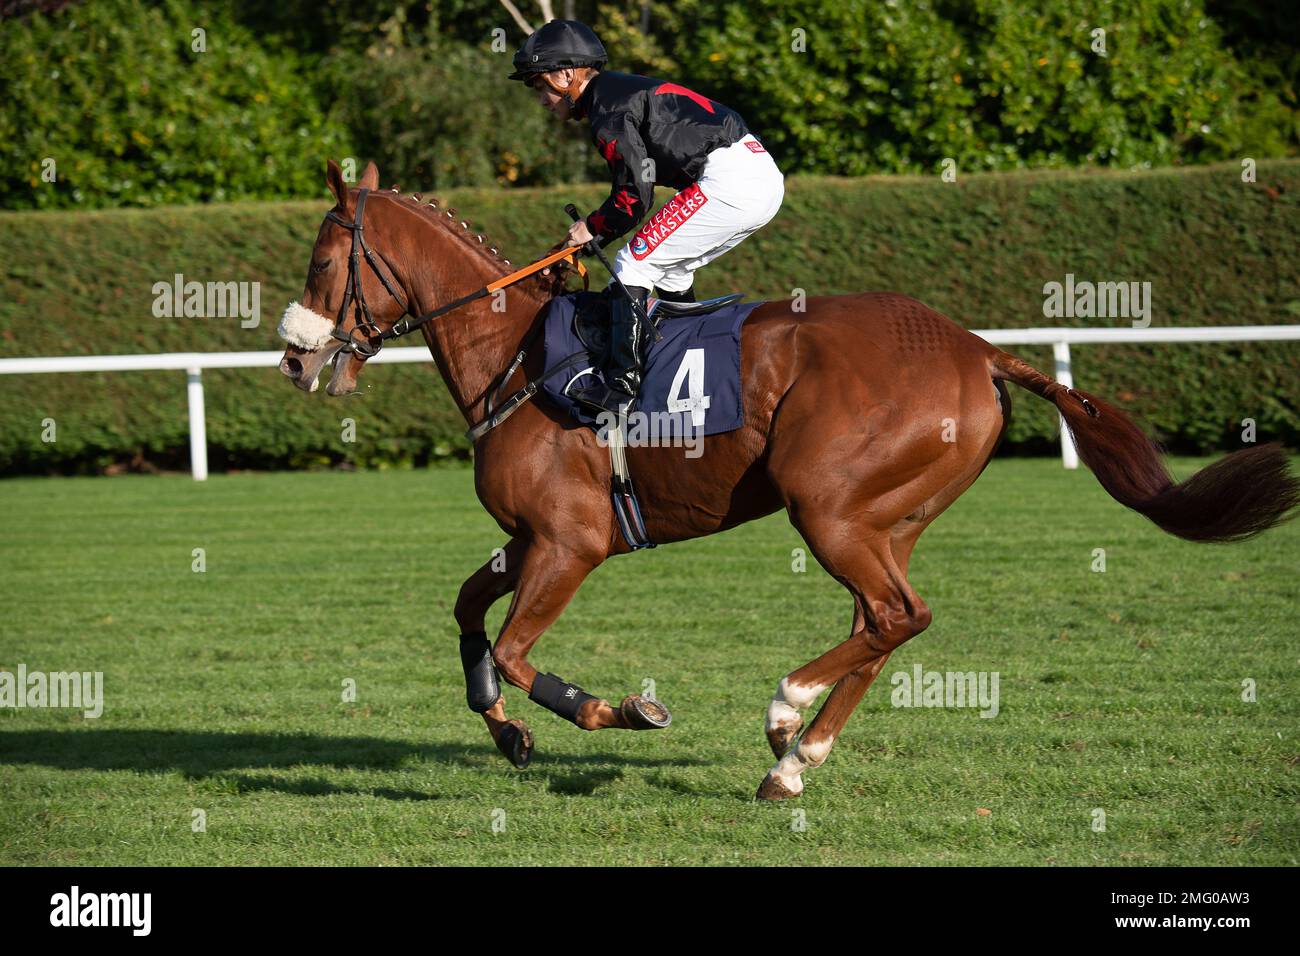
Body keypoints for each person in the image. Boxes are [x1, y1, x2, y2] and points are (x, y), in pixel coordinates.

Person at [508, 19, 785, 415]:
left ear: (566, 74)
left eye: (539, 86)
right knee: (670, 272)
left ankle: (621, 390)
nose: (540, 100)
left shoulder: (609, 109)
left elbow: (634, 198)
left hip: (732, 180)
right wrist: (595, 232)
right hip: (754, 175)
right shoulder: (617, 92)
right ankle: (681, 374)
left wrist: (592, 227)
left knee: (633, 264)